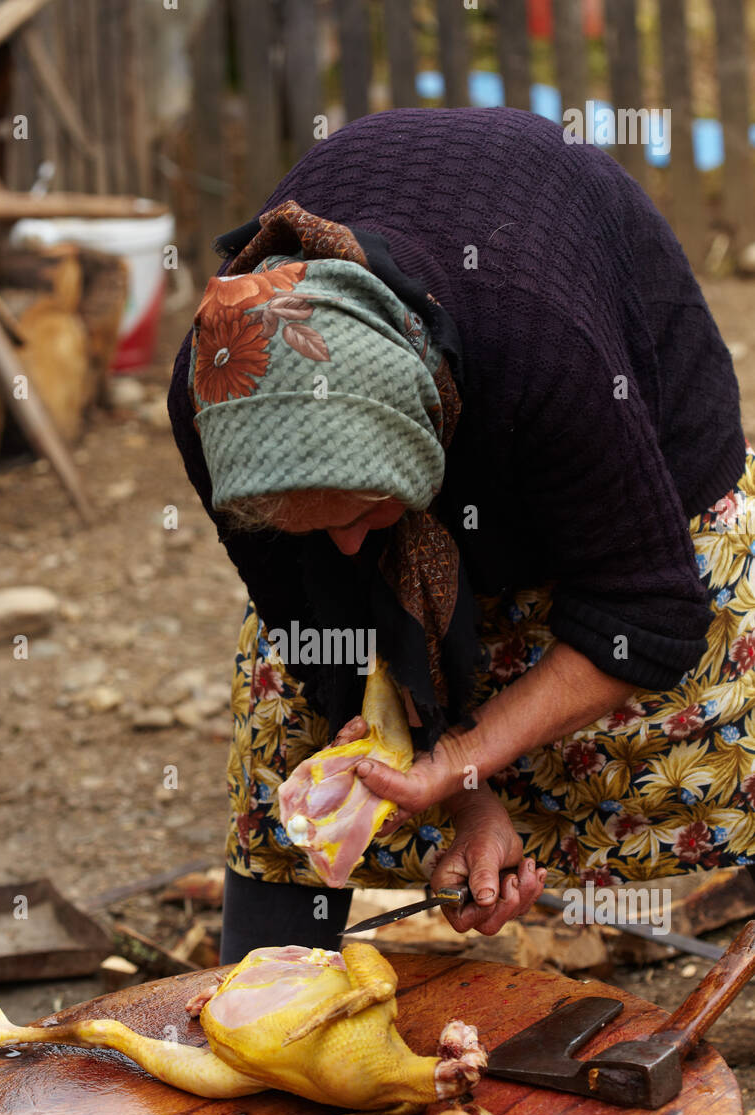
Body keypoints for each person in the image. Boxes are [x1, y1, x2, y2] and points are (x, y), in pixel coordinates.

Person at [168, 107, 749, 965]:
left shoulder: (548, 357)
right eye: (310, 527)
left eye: (366, 514)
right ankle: (268, 999)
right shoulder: (218, 396)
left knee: (715, 716)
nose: (345, 550)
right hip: (463, 415)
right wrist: (464, 794)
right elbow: (312, 618)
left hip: (627, 463)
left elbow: (646, 609)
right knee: (288, 724)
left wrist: (468, 751)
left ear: (425, 458)